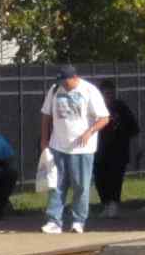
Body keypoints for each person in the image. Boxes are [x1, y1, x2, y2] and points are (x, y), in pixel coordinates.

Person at [39, 64, 110, 234]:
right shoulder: (55, 89)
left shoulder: (89, 91)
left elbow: (104, 118)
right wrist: (44, 139)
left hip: (82, 148)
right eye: (60, 81)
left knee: (81, 186)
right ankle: (54, 221)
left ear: (74, 78)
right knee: (56, 184)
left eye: (65, 81)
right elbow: (46, 115)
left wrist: (89, 131)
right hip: (58, 145)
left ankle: (78, 221)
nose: (63, 84)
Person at [94, 80, 140, 220]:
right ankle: (106, 204)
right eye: (106, 93)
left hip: (118, 149)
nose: (110, 96)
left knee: (115, 178)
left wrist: (137, 146)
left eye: (112, 93)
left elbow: (133, 129)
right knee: (100, 178)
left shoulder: (121, 107)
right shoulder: (95, 108)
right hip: (99, 150)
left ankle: (114, 204)